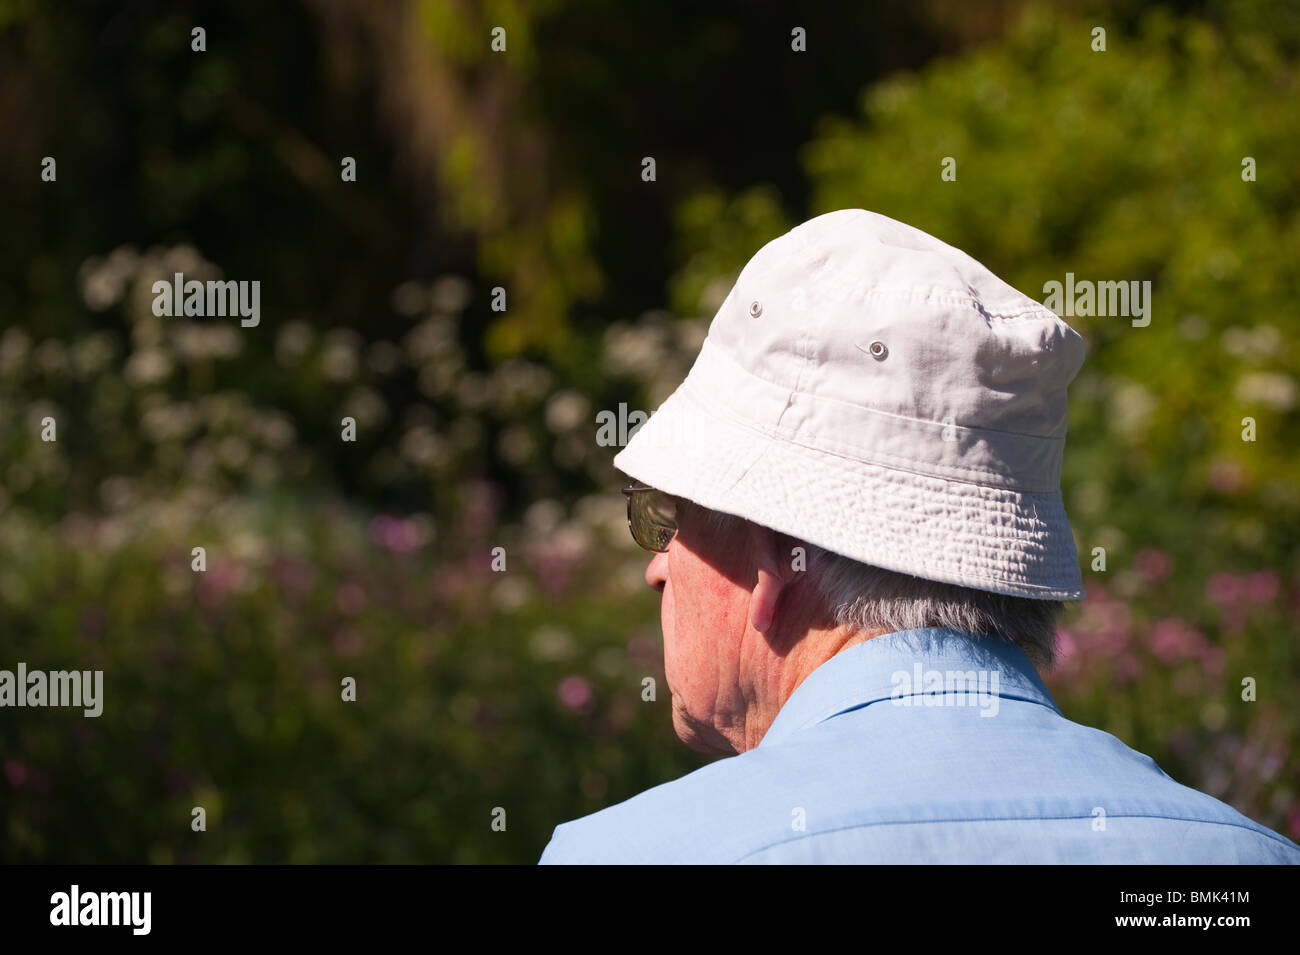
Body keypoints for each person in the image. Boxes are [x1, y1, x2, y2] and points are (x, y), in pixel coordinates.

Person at [538, 209, 1300, 864]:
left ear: (774, 557)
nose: (656, 568)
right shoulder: (1242, 857)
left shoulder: (635, 855)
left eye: (668, 520)